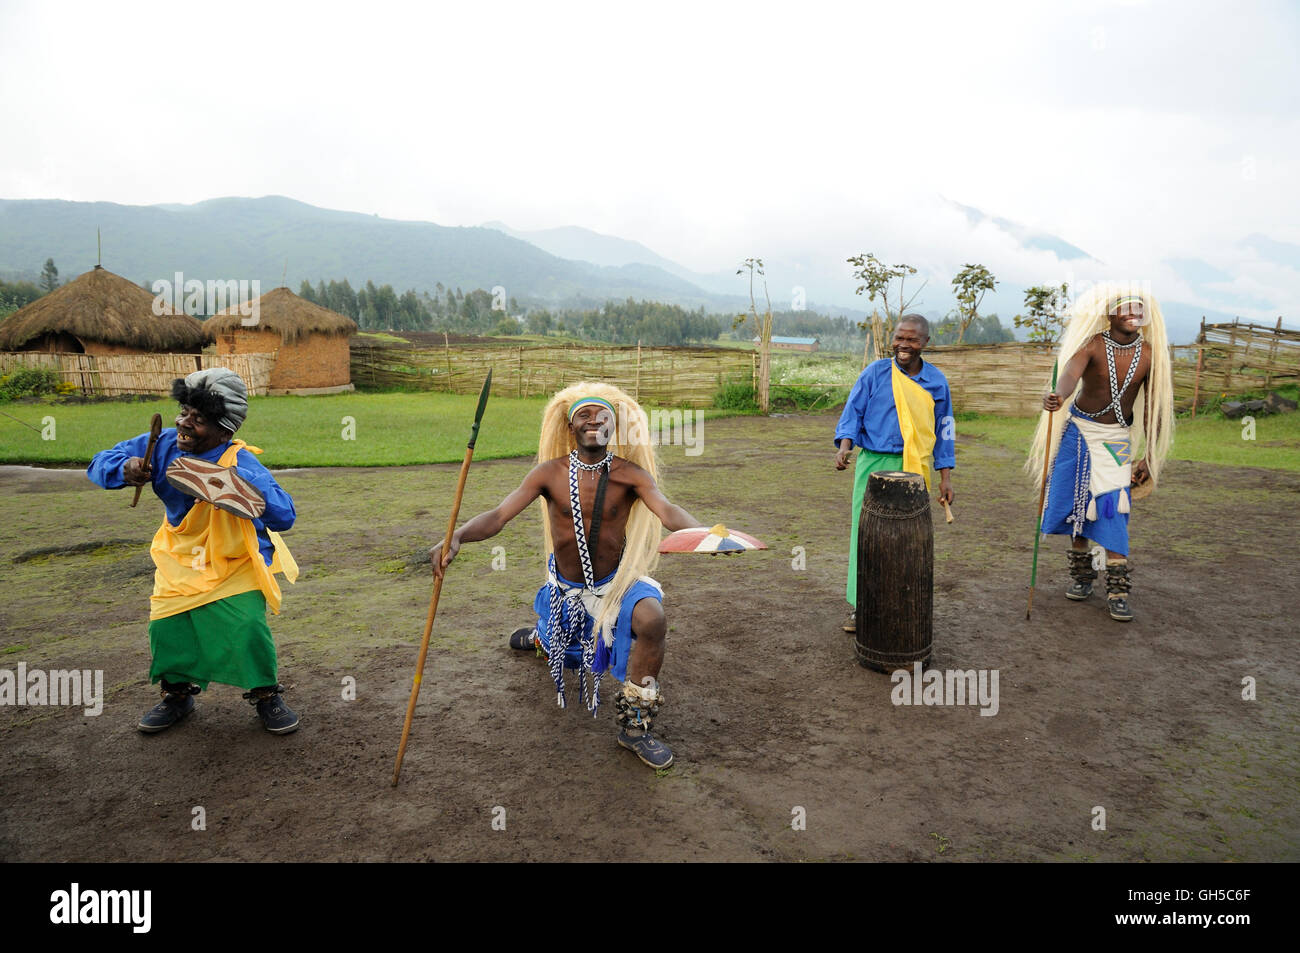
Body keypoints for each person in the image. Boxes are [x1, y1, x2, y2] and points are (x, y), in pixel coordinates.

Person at [431, 382, 701, 769]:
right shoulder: (548, 474)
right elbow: (498, 516)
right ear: (570, 426)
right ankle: (544, 639)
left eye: (603, 416)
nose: (594, 421)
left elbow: (669, 510)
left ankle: (636, 727)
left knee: (652, 619)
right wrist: (456, 536)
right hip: (567, 588)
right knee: (564, 643)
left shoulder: (631, 476)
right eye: (584, 415)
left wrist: (705, 535)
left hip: (615, 584)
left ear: (614, 428)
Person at [87, 368, 301, 732]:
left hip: (235, 560)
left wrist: (242, 492)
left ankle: (266, 694)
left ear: (225, 429)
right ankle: (178, 695)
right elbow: (98, 462)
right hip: (180, 556)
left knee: (247, 625)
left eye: (198, 419)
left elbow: (285, 516)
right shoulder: (161, 445)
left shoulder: (242, 464)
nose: (184, 423)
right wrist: (126, 468)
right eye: (184, 411)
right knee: (166, 626)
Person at [1029, 285, 1173, 621]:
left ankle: (1118, 589)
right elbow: (1069, 374)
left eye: (1139, 310)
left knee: (1112, 506)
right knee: (1078, 501)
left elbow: (1155, 408)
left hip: (1116, 439)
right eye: (1126, 309)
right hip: (1079, 432)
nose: (1134, 315)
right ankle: (1082, 576)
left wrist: (1150, 456)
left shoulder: (1150, 355)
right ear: (1110, 315)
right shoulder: (1093, 345)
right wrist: (1058, 396)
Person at [834, 315, 955, 630]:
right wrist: (845, 446)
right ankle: (862, 607)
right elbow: (853, 414)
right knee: (867, 534)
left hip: (914, 468)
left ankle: (901, 605)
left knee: (907, 539)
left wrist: (945, 479)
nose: (903, 345)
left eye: (912, 339)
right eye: (899, 337)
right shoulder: (875, 373)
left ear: (925, 343)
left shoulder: (937, 383)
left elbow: (944, 433)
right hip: (873, 464)